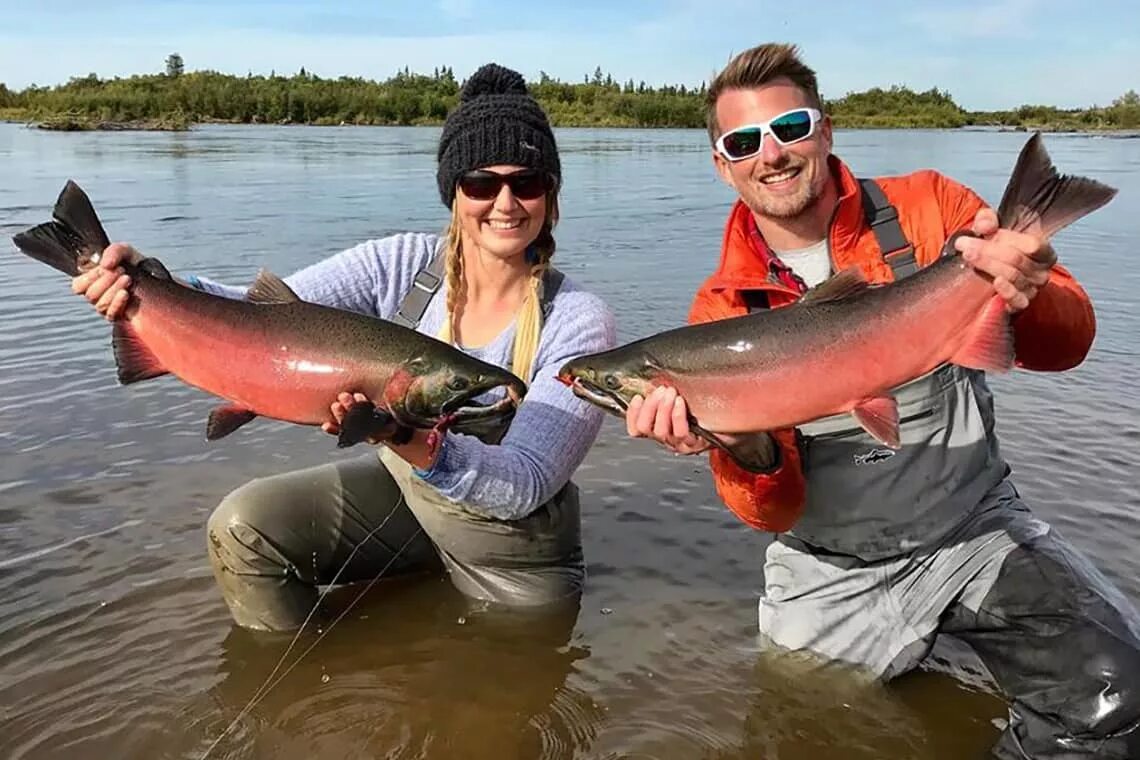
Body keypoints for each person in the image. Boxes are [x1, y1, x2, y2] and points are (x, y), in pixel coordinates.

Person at [625, 42, 1140, 759]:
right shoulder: (718, 311)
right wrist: (738, 440)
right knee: (795, 733)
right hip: (828, 565)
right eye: (744, 142)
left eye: (790, 128)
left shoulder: (932, 207)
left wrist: (1028, 292)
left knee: (1122, 692)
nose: (771, 154)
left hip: (974, 526)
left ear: (827, 130)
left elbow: (1068, 344)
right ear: (722, 163)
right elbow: (766, 512)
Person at [70, 62, 617, 633]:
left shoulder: (578, 320)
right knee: (244, 528)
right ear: (454, 193)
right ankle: (305, 695)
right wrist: (148, 284)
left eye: (525, 182)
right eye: (481, 183)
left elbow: (521, 485)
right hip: (413, 502)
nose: (504, 203)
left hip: (514, 558)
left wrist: (400, 434)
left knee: (509, 691)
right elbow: (261, 317)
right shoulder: (401, 264)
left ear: (550, 195)